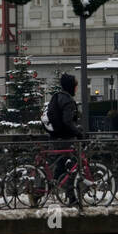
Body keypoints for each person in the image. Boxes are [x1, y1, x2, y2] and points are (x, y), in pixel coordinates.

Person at [44, 73, 86, 205]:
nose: (76, 88)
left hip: (55, 137)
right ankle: (71, 196)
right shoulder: (68, 100)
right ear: (71, 86)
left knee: (60, 166)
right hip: (65, 139)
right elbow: (67, 121)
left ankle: (50, 188)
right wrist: (78, 133)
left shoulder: (56, 96)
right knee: (73, 166)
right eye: (75, 85)